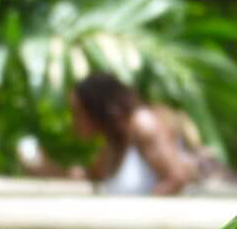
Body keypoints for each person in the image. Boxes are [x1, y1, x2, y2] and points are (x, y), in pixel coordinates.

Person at [19, 72, 223, 196]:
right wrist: (43, 167)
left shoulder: (144, 124)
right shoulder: (111, 145)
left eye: (77, 114)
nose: (73, 123)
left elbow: (177, 178)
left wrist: (137, 217)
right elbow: (86, 178)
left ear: (96, 108)